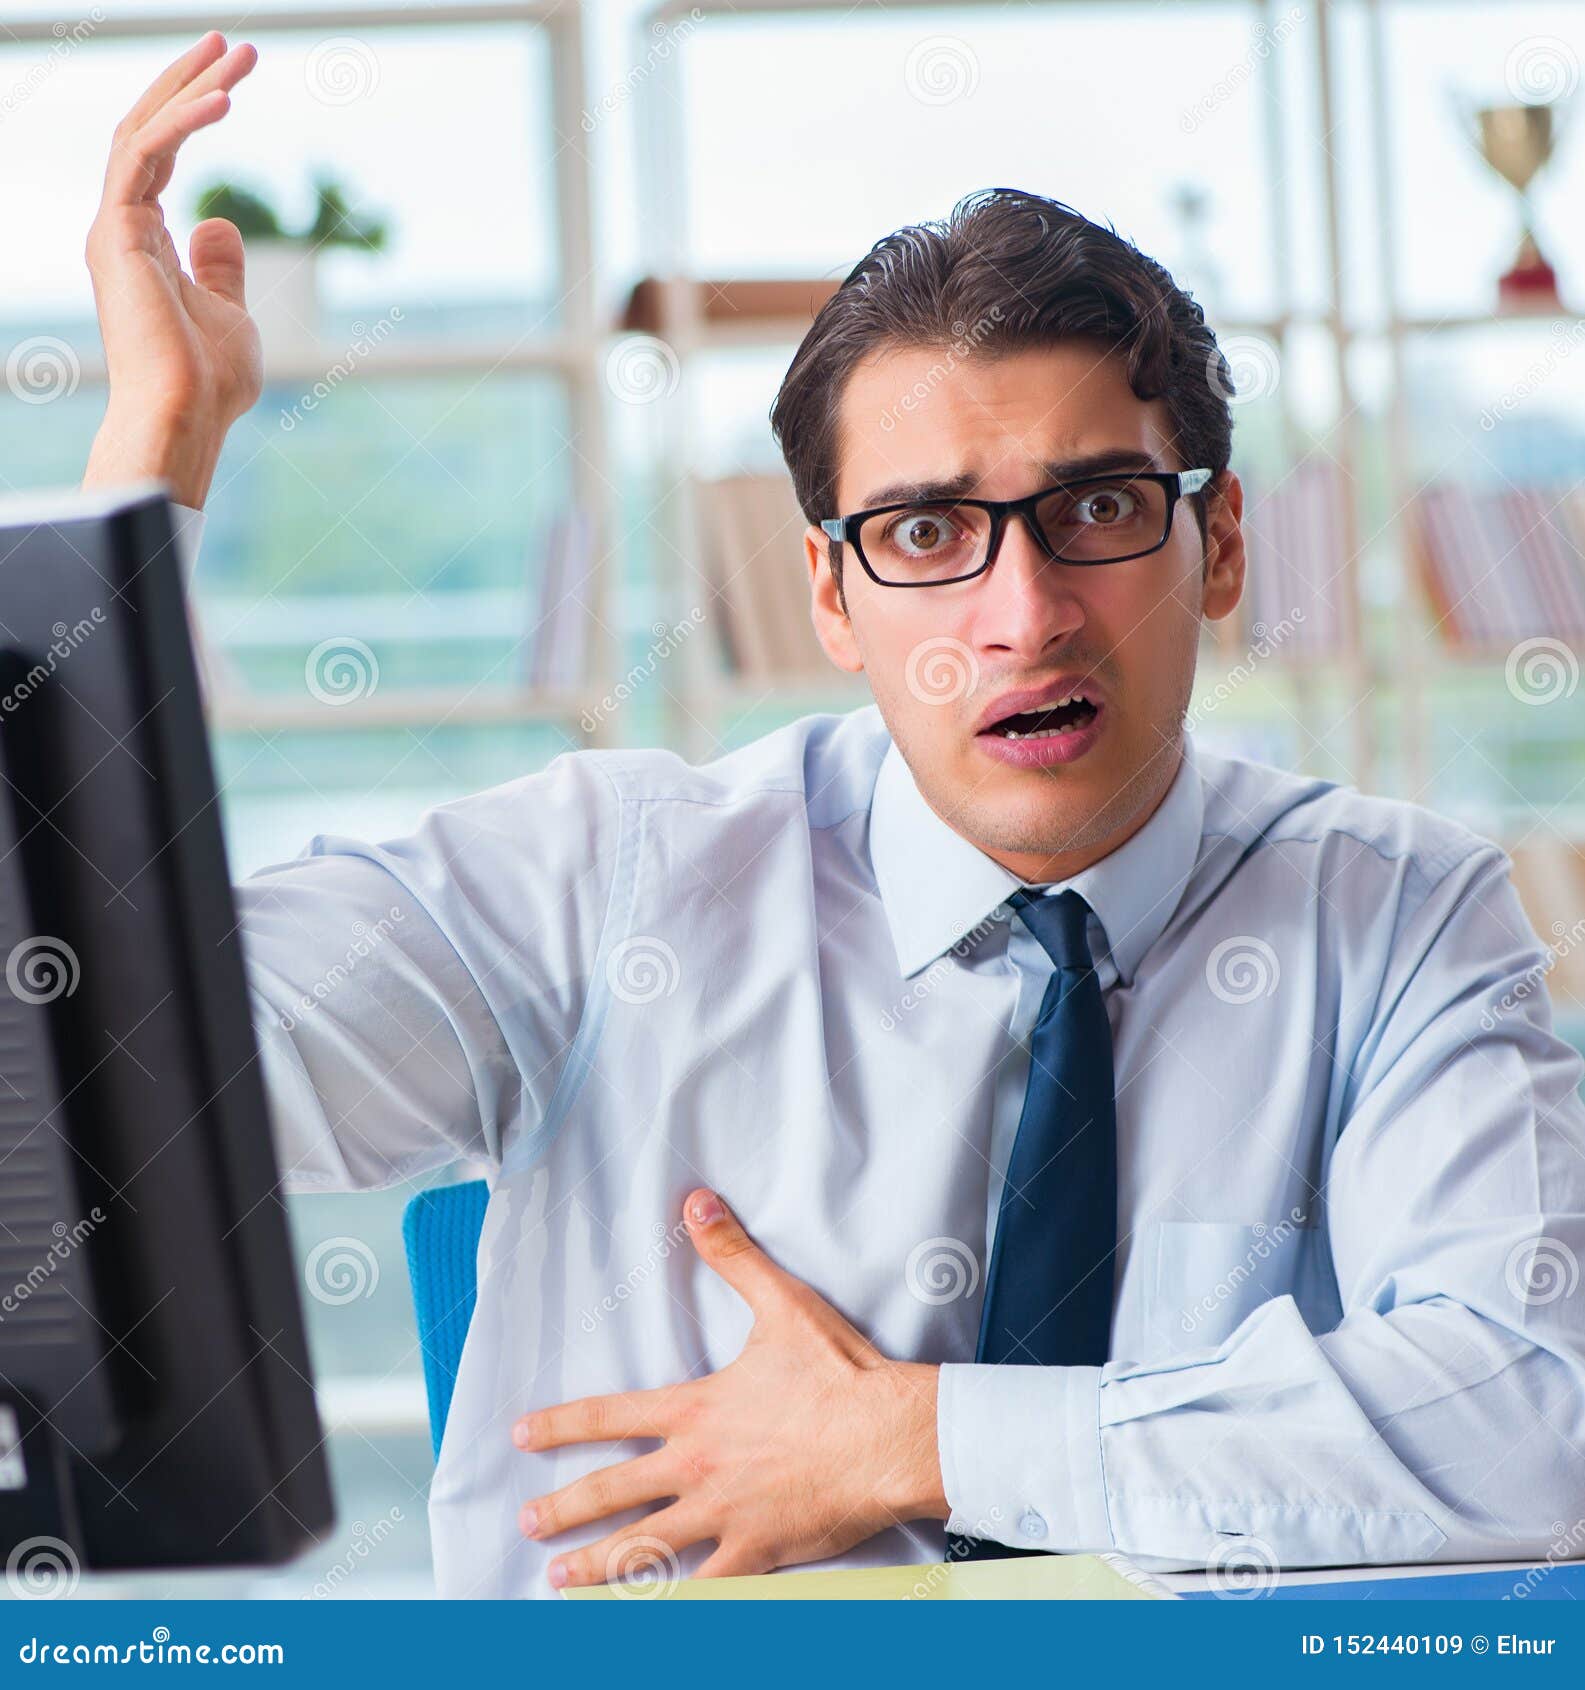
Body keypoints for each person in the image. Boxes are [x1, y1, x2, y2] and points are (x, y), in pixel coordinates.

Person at [80, 34, 1585, 1599]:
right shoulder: (601, 880)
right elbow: (95, 1068)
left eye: (1095, 510)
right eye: (926, 529)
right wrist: (155, 454)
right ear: (831, 598)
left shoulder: (1398, 916)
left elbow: (1538, 1423)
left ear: (1215, 546)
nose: (1023, 614)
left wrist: (921, 1440)